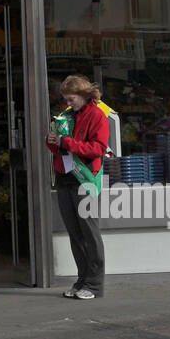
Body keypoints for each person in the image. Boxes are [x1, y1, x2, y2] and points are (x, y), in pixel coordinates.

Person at [46, 74, 109, 300]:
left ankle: (94, 284)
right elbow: (60, 147)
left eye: (71, 99)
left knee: (90, 234)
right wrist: (53, 141)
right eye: (65, 99)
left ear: (83, 95)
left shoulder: (97, 116)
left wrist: (65, 142)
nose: (68, 103)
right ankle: (82, 280)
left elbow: (98, 149)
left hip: (85, 181)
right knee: (75, 234)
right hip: (65, 179)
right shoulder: (67, 116)